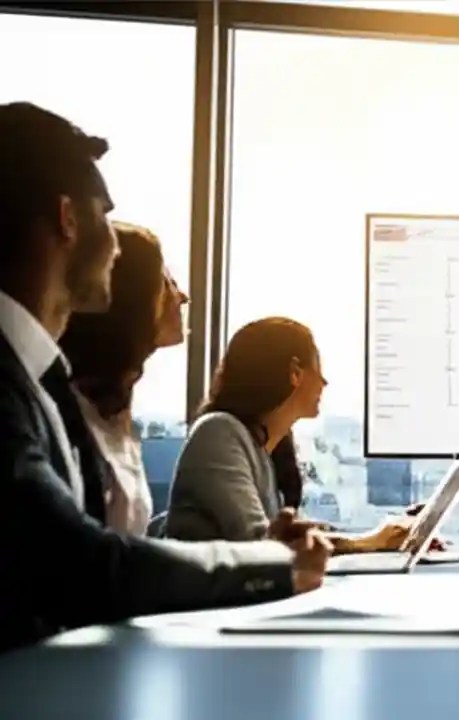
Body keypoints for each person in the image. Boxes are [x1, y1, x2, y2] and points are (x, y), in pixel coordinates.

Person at [0, 101, 329, 650]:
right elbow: (77, 562)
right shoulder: (8, 384)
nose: (114, 243)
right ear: (68, 219)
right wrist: (275, 565)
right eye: (104, 215)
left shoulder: (37, 378)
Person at [165, 317, 415, 553]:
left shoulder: (264, 450)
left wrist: (380, 537)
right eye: (318, 368)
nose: (324, 383)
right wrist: (367, 542)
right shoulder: (218, 433)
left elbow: (282, 539)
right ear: (295, 372)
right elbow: (259, 545)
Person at [59, 221, 189, 536]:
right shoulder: (67, 414)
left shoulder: (117, 412)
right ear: (132, 297)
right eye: (166, 282)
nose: (182, 296)